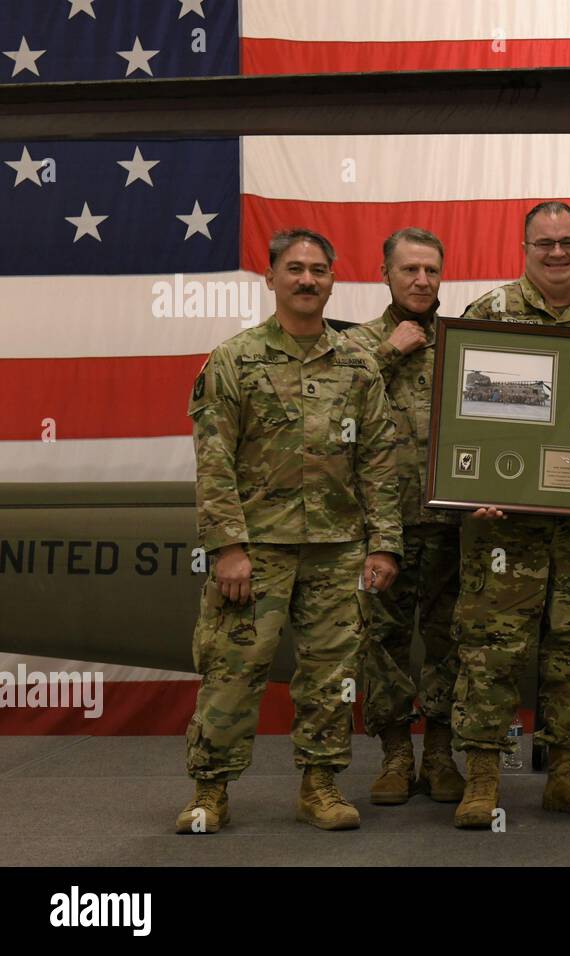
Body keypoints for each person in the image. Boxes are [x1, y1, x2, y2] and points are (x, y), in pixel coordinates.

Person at [177, 228, 402, 833]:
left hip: (339, 550)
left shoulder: (358, 363)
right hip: (257, 549)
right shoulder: (235, 359)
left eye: (319, 270)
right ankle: (210, 789)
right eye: (295, 269)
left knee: (332, 676)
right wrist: (227, 547)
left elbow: (379, 458)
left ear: (333, 279)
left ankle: (321, 786)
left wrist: (383, 543)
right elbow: (214, 458)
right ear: (271, 277)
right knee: (233, 669)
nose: (307, 279)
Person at [449, 202, 570, 828]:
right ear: (524, 247)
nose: (557, 253)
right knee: (491, 651)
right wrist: (465, 481)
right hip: (503, 523)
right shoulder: (488, 314)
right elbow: (461, 418)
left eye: (567, 243)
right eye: (544, 243)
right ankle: (481, 780)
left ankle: (568, 776)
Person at [342, 228, 464, 807]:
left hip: (451, 524)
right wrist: (391, 351)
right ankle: (395, 755)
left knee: (449, 642)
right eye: (409, 270)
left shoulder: (468, 345)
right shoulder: (359, 344)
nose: (421, 280)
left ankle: (440, 754)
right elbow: (332, 407)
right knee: (383, 642)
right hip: (381, 528)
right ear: (384, 274)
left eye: (431, 271)